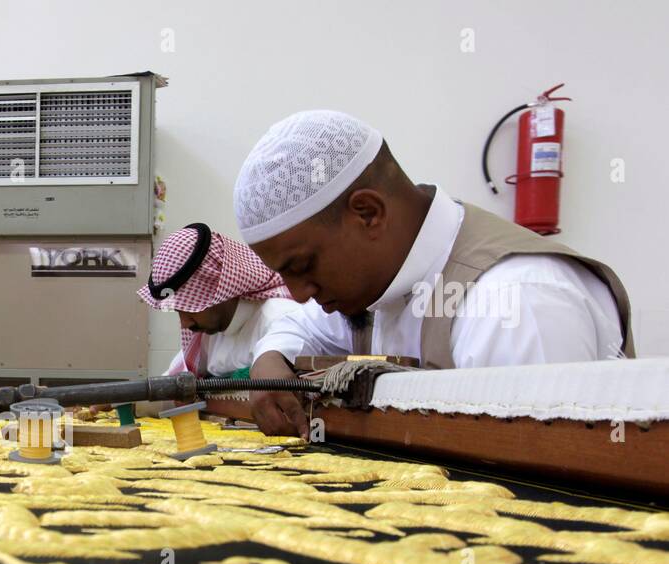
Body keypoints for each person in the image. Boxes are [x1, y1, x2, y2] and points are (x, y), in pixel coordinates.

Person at [232, 110, 633, 438]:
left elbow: (542, 484)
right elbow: (300, 328)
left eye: (302, 267)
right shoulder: (373, 281)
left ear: (368, 214)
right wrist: (268, 362)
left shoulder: (513, 302)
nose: (299, 293)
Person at [137, 223, 301, 378]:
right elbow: (171, 379)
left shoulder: (281, 317)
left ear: (218, 289)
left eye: (188, 307)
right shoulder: (208, 332)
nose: (185, 323)